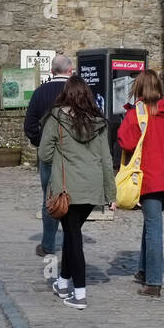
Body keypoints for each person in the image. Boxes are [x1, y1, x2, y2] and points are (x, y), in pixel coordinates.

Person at [117, 70, 164, 298]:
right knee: (151, 223)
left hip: (150, 177)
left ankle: (153, 282)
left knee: (153, 228)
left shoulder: (137, 113)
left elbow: (125, 142)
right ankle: (143, 269)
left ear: (138, 88)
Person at [41, 75, 115, 310]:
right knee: (72, 235)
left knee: (73, 239)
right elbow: (106, 159)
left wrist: (60, 159)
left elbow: (44, 154)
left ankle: (80, 293)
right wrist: (111, 194)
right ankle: (63, 283)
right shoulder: (99, 122)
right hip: (91, 188)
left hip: (67, 188)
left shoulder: (56, 118)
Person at [24, 54, 73, 258]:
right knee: (73, 197)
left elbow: (29, 126)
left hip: (48, 155)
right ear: (70, 71)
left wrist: (40, 142)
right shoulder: (76, 92)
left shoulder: (40, 92)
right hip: (73, 155)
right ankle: (72, 242)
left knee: (49, 198)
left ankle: (48, 244)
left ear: (52, 71)